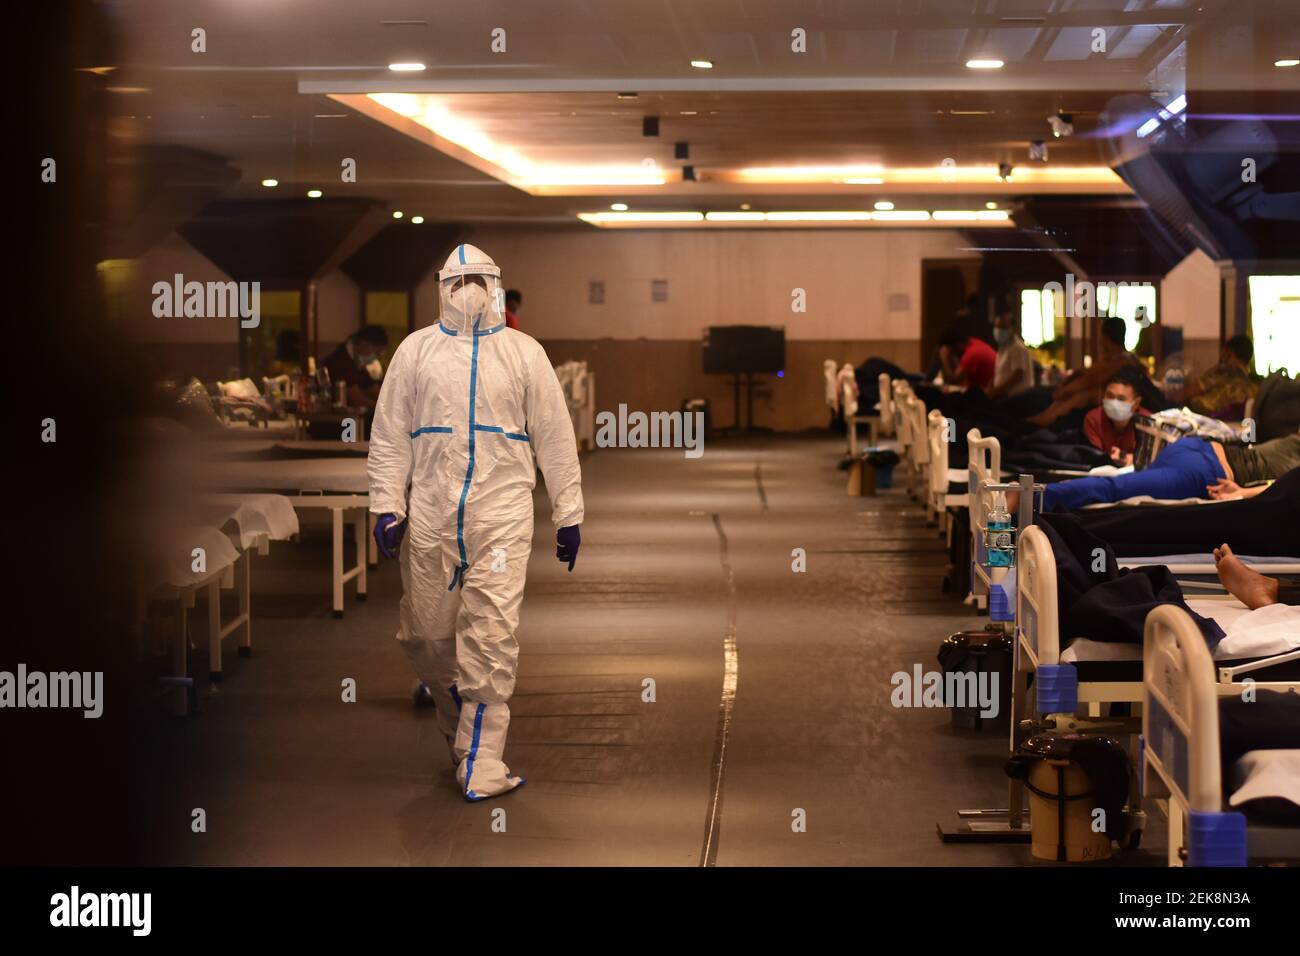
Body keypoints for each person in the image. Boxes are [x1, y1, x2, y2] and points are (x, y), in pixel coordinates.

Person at [367, 244, 584, 802]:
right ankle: (461, 727)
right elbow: (390, 433)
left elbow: (556, 438)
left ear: (496, 285)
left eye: (478, 279)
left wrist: (568, 512)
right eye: (458, 279)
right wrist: (386, 502)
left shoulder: (524, 354)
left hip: (501, 514)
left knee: (490, 632)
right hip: (434, 515)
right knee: (427, 635)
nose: (469, 289)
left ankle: (484, 757)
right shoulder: (415, 353)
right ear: (441, 287)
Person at [1041, 431, 1300, 511]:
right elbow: (1278, 488)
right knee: (1115, 488)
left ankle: (1041, 494)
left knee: (1125, 484)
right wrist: (1242, 492)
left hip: (1197, 446)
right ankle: (1037, 496)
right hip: (1206, 472)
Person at [1028, 317, 1162, 427]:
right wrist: (1068, 384)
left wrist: (1065, 390)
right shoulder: (1116, 359)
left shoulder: (1122, 361)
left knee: (1086, 394)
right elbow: (1088, 374)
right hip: (1105, 403)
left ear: (1105, 338)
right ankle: (1041, 419)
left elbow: (1091, 379)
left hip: (1120, 409)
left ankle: (1041, 421)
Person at [1082, 367, 1151, 464]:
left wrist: (1130, 459)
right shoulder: (1093, 419)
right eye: (1109, 396)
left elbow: (1151, 459)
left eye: (1121, 399)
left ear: (1136, 403)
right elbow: (1095, 457)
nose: (1114, 403)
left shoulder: (1149, 423)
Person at [1185, 334, 1258, 420]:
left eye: (1224, 352)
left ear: (1229, 353)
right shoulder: (1252, 385)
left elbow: (1189, 392)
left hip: (1207, 420)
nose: (1222, 356)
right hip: (1237, 424)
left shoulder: (1222, 372)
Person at [320, 324, 389, 410]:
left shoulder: (357, 361)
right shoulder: (341, 361)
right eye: (376, 353)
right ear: (365, 345)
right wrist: (384, 410)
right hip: (340, 419)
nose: (376, 358)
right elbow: (356, 400)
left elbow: (371, 387)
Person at [985, 308, 1034, 401]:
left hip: (1015, 399)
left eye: (1003, 327)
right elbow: (1001, 372)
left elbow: (1017, 376)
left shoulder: (1017, 348)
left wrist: (996, 391)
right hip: (1002, 395)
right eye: (997, 327)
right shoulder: (1003, 347)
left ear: (1012, 329)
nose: (998, 331)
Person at [937, 325, 996, 390]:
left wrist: (944, 359)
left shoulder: (971, 354)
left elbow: (953, 381)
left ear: (956, 345)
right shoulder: (974, 342)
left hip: (988, 394)